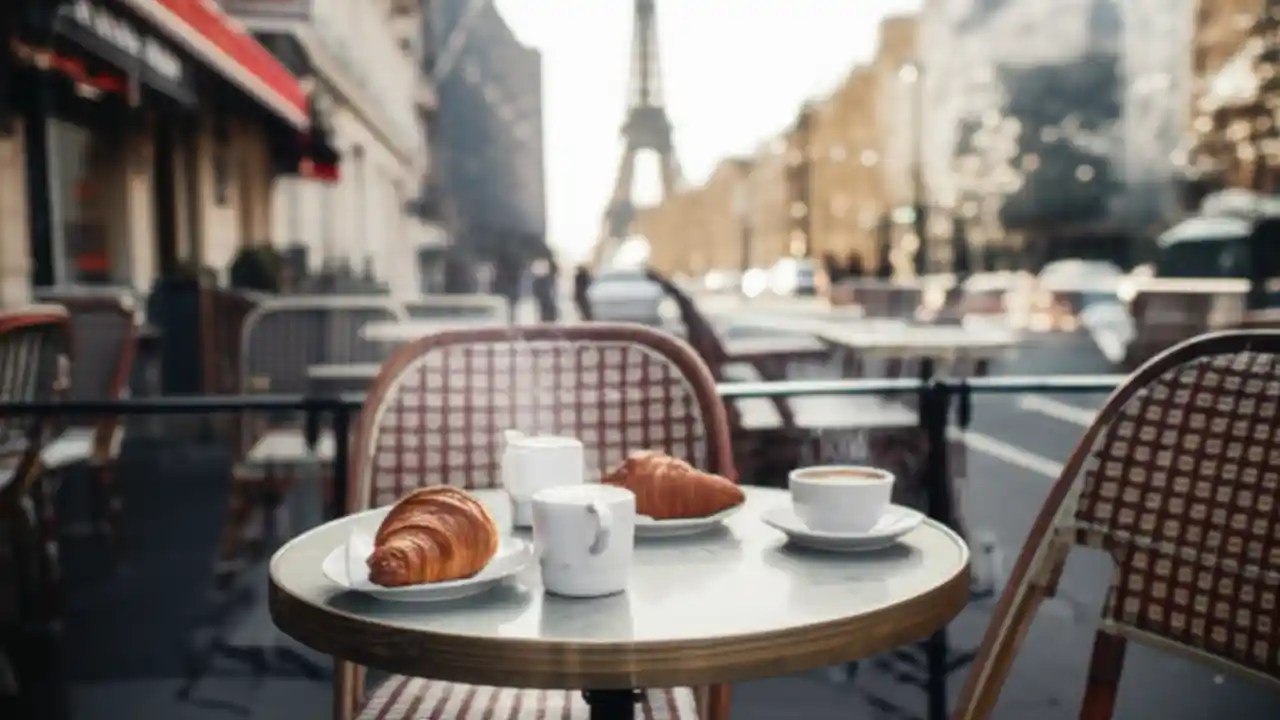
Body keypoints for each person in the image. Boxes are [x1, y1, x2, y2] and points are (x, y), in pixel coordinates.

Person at [532, 257, 560, 322]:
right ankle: (547, 318)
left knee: (546, 306)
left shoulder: (547, 280)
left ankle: (548, 318)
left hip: (546, 299)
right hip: (544, 299)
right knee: (545, 306)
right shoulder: (541, 280)